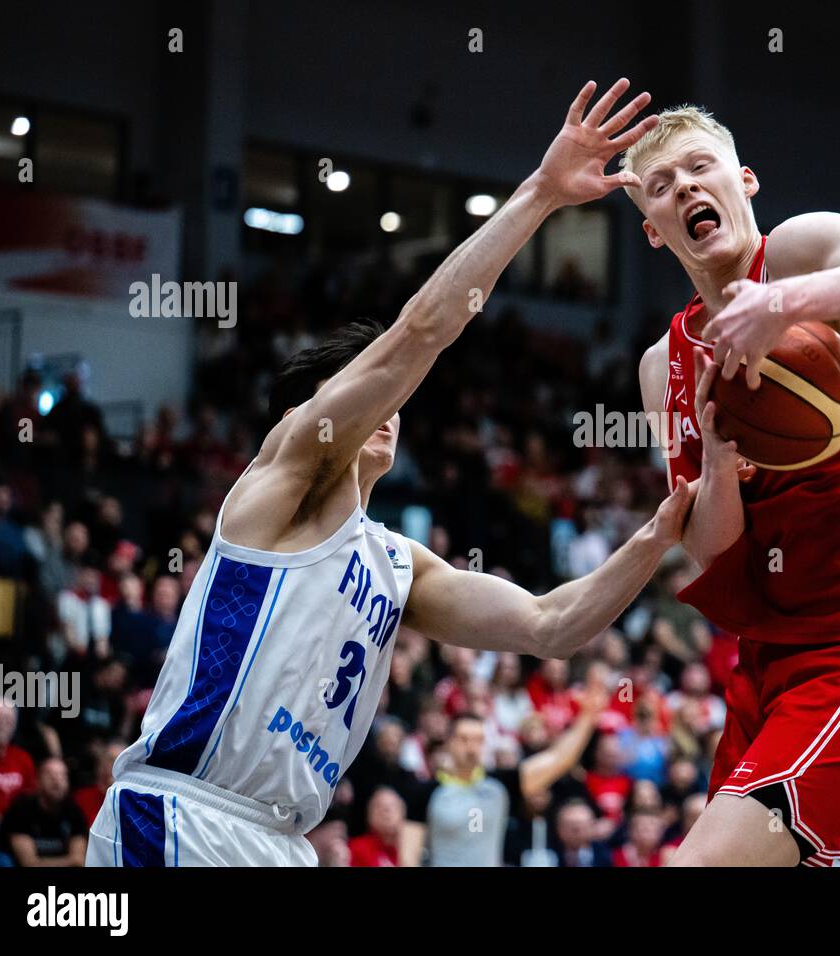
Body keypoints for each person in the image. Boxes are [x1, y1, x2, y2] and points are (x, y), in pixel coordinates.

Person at [85, 79, 691, 867]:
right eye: (366, 392)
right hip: (182, 814)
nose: (389, 409)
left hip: (281, 842)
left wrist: (659, 529)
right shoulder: (291, 479)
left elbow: (553, 626)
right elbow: (426, 328)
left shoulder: (397, 565)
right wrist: (541, 194)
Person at [626, 106, 840, 866]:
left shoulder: (802, 252)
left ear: (743, 180)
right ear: (652, 228)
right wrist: (717, 462)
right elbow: (708, 551)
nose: (684, 188)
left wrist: (787, 302)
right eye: (661, 185)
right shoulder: (664, 366)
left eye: (699, 167)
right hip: (763, 670)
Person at [403, 681, 607, 867]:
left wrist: (587, 717)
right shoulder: (425, 792)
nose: (471, 747)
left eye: (478, 740)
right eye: (464, 739)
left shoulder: (500, 784)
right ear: (449, 742)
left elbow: (559, 759)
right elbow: (408, 858)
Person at [0, 757, 88, 867]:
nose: (57, 781)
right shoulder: (21, 809)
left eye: (62, 776)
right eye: (50, 775)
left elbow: (78, 861)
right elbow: (29, 863)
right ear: (37, 781)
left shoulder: (74, 811)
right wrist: (68, 861)